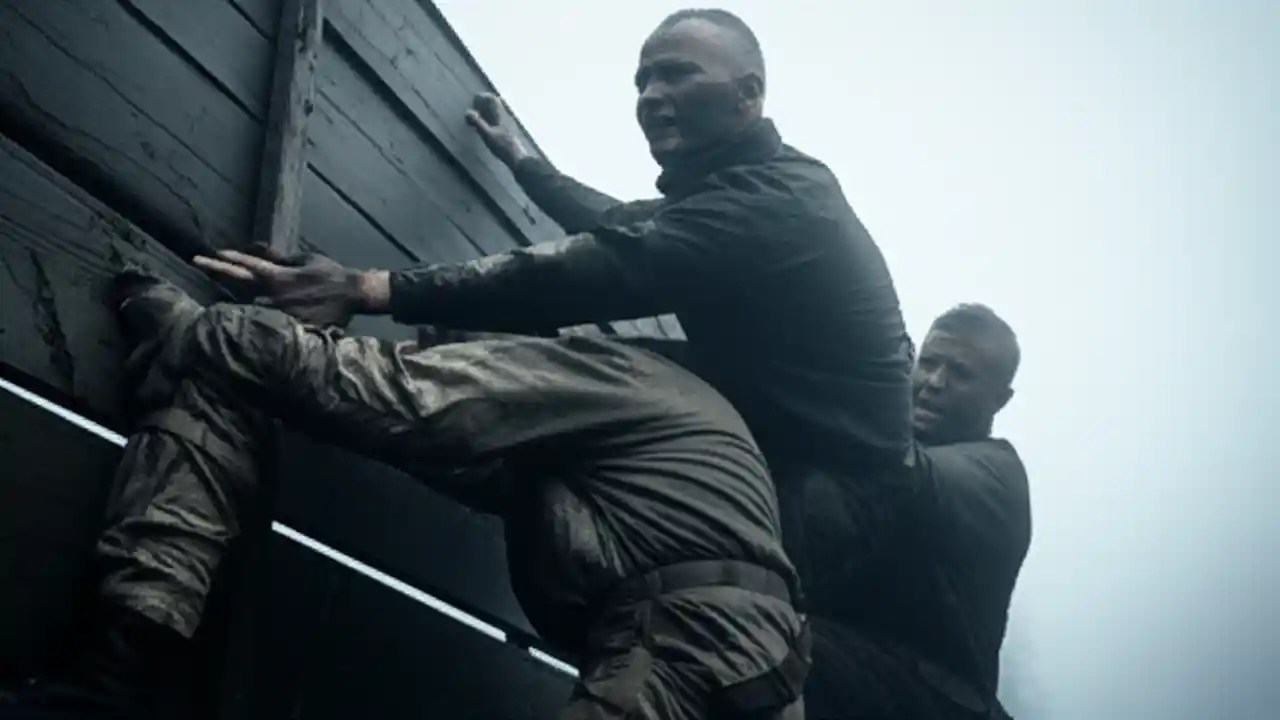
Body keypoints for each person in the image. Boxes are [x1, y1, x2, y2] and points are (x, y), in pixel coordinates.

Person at [196, 6, 916, 626]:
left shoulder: (783, 202)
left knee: (597, 376)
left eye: (677, 74)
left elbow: (608, 267)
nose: (651, 94)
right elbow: (620, 224)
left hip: (828, 494)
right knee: (537, 374)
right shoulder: (734, 197)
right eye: (641, 79)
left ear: (748, 95)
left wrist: (372, 287)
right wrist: (521, 162)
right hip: (771, 433)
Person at [1, 269, 808, 720]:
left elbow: (404, 398)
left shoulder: (604, 374)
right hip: (749, 672)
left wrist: (205, 331)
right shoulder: (635, 431)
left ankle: (107, 689)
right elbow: (432, 445)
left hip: (686, 655)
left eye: (455, 344)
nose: (445, 354)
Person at [805, 304, 1032, 719]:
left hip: (935, 700)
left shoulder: (995, 475)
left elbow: (897, 474)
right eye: (928, 363)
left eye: (961, 374)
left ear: (1000, 398)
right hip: (858, 667)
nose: (933, 382)